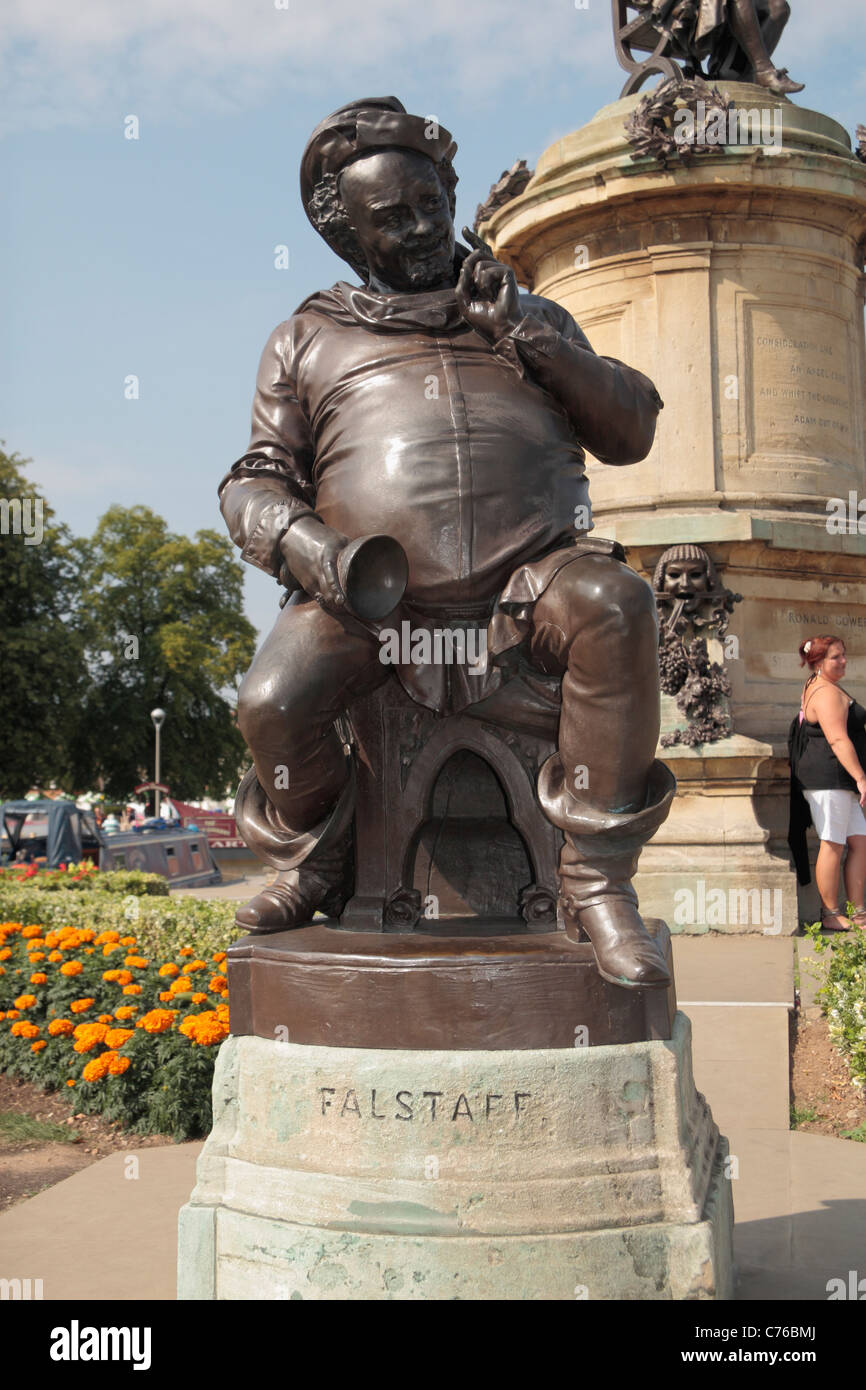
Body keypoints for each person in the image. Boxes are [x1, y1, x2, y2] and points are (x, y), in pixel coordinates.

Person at [220, 97, 677, 989]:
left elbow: (632, 428)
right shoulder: (307, 337)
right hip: (372, 598)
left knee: (619, 605)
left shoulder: (524, 313)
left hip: (531, 583)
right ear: (348, 236)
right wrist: (319, 555)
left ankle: (595, 881)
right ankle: (321, 851)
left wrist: (528, 335)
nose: (425, 229)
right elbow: (253, 482)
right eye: (393, 219)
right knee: (273, 702)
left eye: (434, 203)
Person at [788, 635, 866, 930]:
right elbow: (836, 738)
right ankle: (830, 913)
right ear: (818, 662)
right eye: (836, 657)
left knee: (860, 842)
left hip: (837, 780)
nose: (844, 660)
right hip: (830, 779)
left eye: (844, 655)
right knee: (832, 843)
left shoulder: (818, 685)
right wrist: (861, 778)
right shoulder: (826, 693)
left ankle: (859, 913)